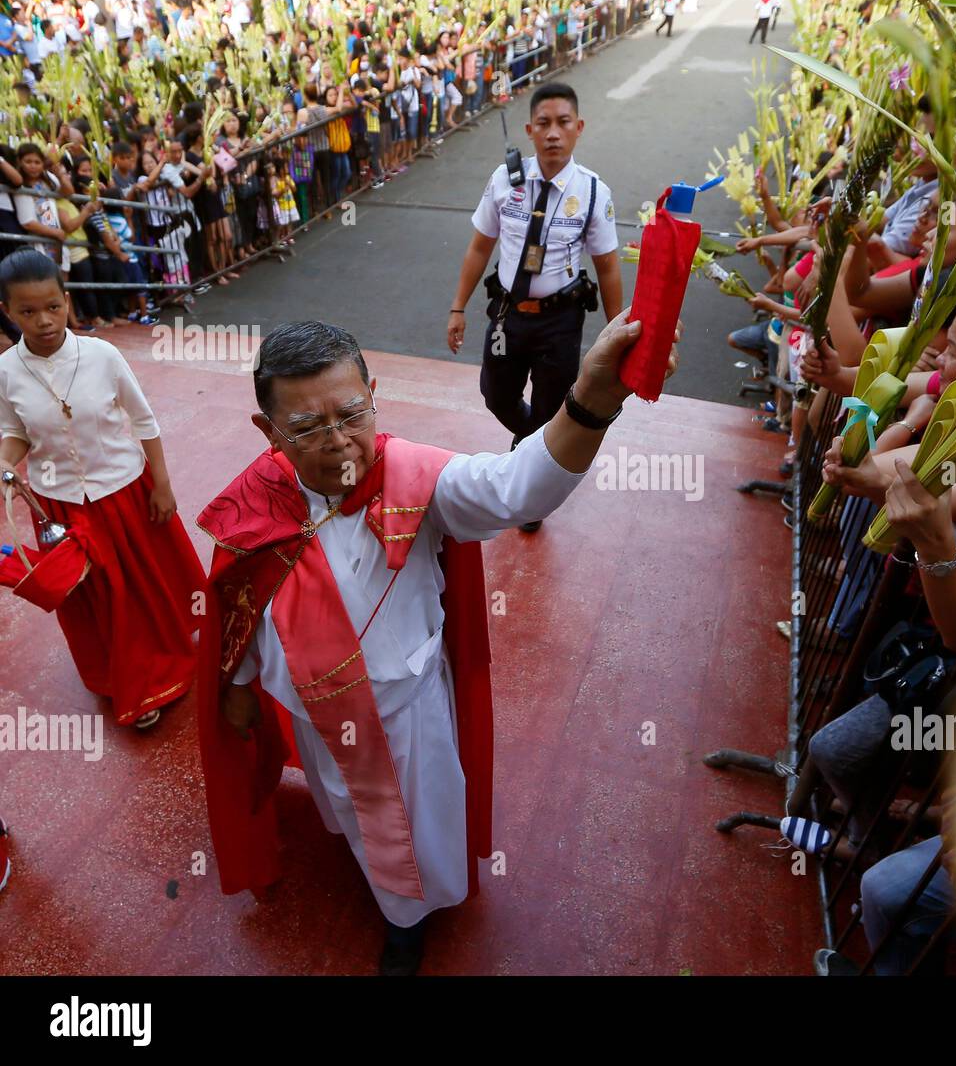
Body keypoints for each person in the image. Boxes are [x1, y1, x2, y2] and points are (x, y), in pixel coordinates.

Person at [196, 312, 677, 976]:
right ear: (268, 431)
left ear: (374, 391)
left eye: (351, 413)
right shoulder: (256, 502)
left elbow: (518, 487)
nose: (338, 443)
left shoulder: (417, 479)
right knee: (344, 803)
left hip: (404, 713)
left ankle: (406, 922)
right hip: (312, 713)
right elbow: (242, 604)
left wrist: (589, 402)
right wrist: (242, 684)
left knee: (415, 832)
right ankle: (375, 875)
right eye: (307, 427)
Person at [0, 250, 205, 729]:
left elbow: (144, 420)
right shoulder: (7, 370)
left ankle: (159, 662)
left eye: (52, 306)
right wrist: (6, 463)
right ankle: (131, 679)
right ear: (8, 312)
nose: (44, 320)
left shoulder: (102, 354)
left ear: (67, 300)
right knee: (101, 595)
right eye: (27, 312)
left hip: (124, 490)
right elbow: (16, 431)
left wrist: (161, 484)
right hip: (60, 504)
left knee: (143, 584)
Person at [446, 81, 622, 531]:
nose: (553, 133)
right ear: (529, 129)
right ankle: (531, 446)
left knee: (549, 409)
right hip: (507, 315)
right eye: (543, 123)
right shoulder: (505, 180)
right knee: (496, 394)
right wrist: (458, 307)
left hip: (561, 322)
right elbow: (479, 247)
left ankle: (528, 497)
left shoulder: (592, 191)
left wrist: (617, 331)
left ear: (579, 128)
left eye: (563, 123)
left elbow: (607, 267)